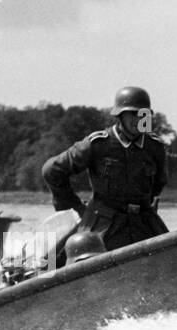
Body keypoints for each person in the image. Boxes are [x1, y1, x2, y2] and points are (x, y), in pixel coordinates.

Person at [41, 86, 168, 253]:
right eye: (133, 114)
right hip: (104, 224)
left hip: (143, 221)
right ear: (120, 116)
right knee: (76, 260)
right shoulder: (98, 144)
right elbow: (51, 171)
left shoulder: (154, 147)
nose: (138, 120)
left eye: (143, 114)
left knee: (174, 259)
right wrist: (76, 208)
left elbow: (159, 183)